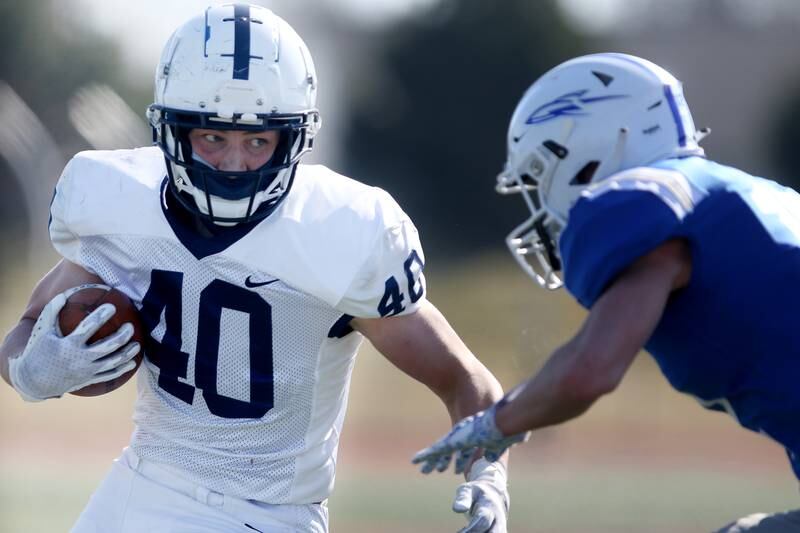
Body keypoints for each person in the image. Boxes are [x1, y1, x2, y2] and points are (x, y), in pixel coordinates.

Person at [0, 5, 511, 532]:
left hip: (266, 513)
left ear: (293, 139)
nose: (234, 164)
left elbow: (462, 378)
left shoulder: (341, 234)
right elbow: (24, 332)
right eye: (212, 138)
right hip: (142, 483)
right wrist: (31, 370)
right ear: (172, 132)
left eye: (258, 141)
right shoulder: (120, 206)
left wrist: (489, 471)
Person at [412, 52, 800, 532]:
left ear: (594, 145)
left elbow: (588, 371)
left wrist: (494, 424)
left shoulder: (644, 200)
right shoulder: (764, 194)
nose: (542, 200)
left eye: (540, 175)